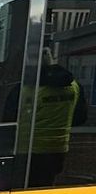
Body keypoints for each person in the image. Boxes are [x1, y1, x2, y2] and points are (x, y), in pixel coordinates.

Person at [27, 58, 82, 186]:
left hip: (31, 149)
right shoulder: (74, 87)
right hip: (59, 148)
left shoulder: (29, 90)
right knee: (47, 184)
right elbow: (79, 117)